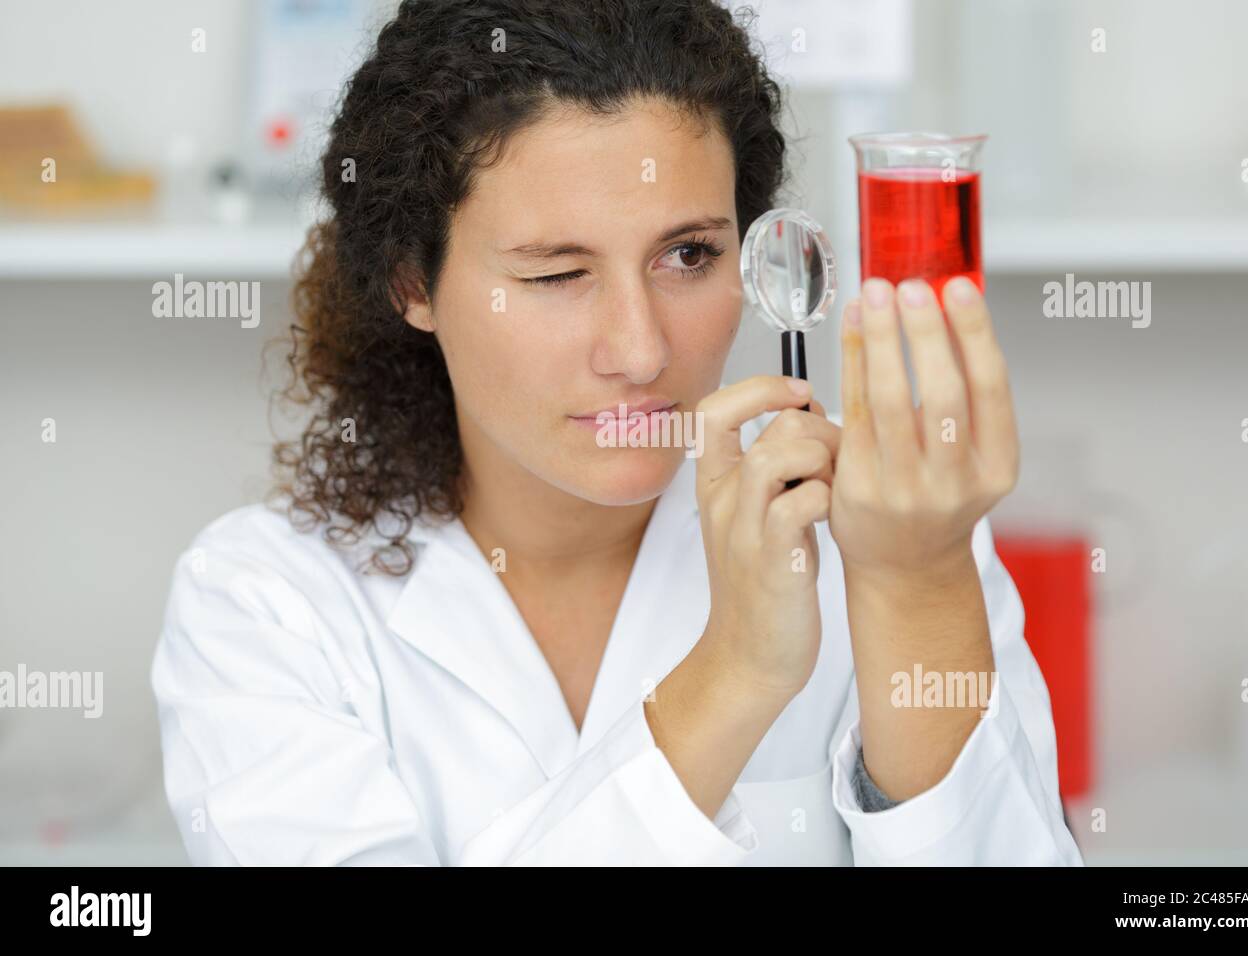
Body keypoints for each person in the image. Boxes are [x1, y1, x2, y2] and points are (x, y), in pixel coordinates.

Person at [152, 0, 1083, 866]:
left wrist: (916, 586)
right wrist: (737, 671)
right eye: (558, 273)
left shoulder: (889, 526)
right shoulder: (265, 605)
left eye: (688, 256)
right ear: (413, 283)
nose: (640, 351)